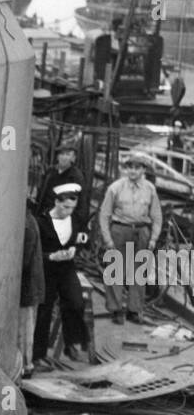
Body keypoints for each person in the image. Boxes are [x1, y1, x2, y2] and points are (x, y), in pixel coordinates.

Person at [99, 152, 163, 325]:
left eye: (137, 167)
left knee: (139, 272)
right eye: (130, 167)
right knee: (115, 269)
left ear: (143, 170)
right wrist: (108, 240)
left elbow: (157, 216)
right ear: (126, 169)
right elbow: (104, 215)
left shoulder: (150, 189)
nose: (133, 171)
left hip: (142, 231)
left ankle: (134, 310)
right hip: (120, 230)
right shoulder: (115, 188)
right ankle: (116, 309)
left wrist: (153, 239)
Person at [32, 182, 91, 369]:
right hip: (47, 271)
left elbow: (84, 238)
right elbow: (34, 252)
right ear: (56, 202)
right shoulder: (41, 222)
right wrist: (51, 256)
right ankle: (38, 354)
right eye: (65, 207)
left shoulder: (76, 220)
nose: (68, 211)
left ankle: (71, 344)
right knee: (44, 311)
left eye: (72, 208)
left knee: (75, 302)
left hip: (66, 268)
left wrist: (75, 248)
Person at [36, 141, 87, 223]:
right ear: (57, 157)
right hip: (45, 217)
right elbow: (42, 195)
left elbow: (81, 204)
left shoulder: (76, 177)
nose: (64, 157)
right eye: (62, 154)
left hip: (63, 220)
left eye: (67, 155)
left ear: (73, 158)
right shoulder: (50, 172)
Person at [20, 210, 44, 378]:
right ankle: (25, 365)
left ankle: (26, 366)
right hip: (30, 284)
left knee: (25, 327)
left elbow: (23, 260)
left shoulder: (26, 224)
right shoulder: (29, 219)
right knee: (27, 327)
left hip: (27, 285)